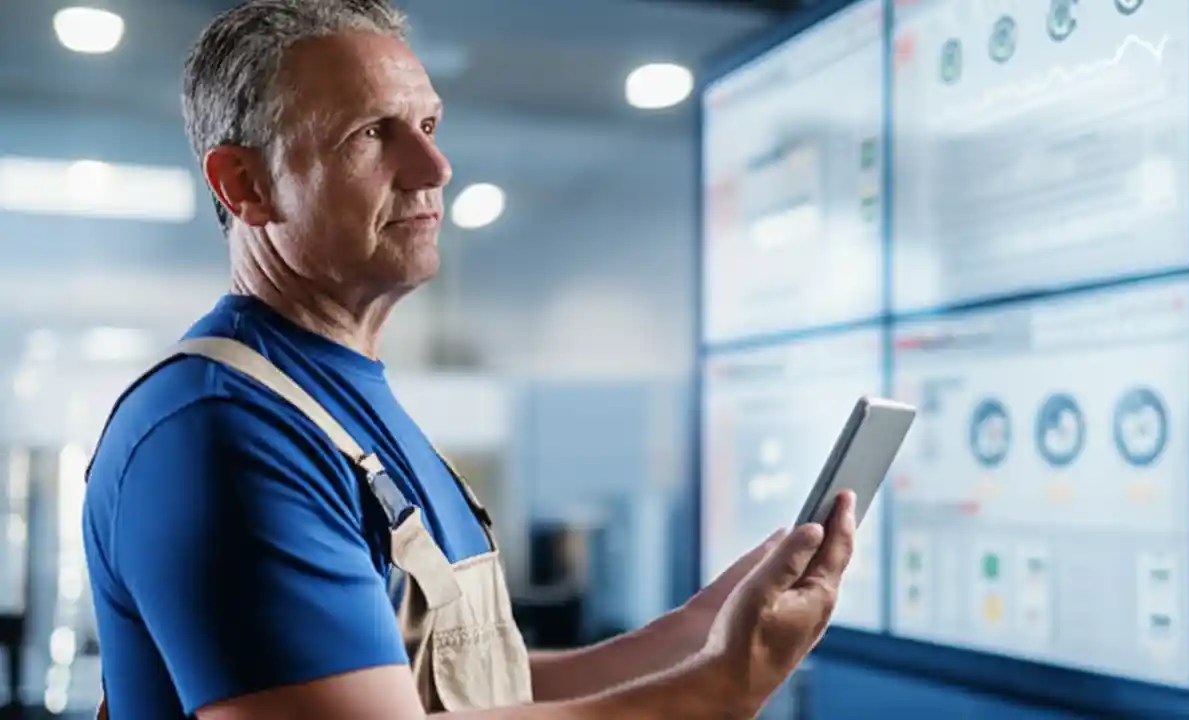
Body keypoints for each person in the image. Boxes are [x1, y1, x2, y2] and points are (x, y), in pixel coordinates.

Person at [81, 1, 858, 718]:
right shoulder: (221, 430)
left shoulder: (348, 408)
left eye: (429, 124)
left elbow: (477, 695)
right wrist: (719, 687)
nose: (434, 167)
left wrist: (700, 632)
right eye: (371, 133)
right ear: (246, 184)